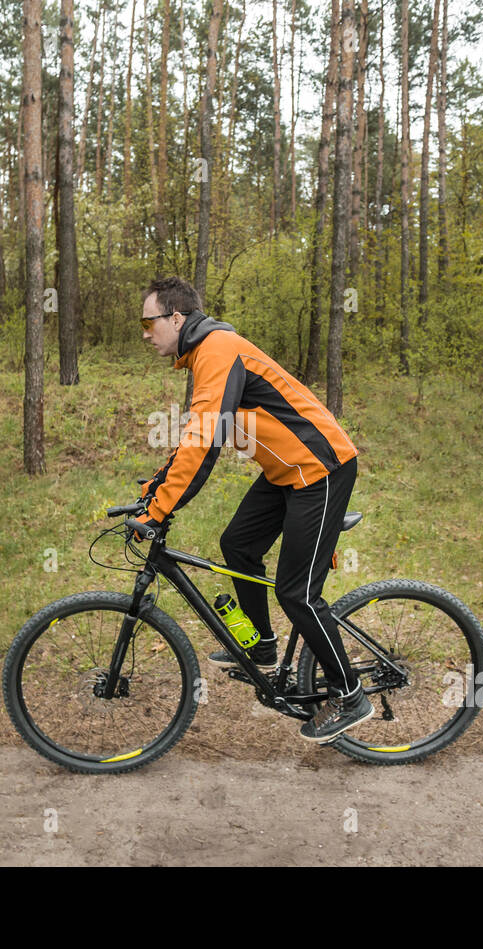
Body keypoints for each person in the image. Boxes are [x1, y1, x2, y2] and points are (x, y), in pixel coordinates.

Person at [135, 276, 370, 744]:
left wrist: (158, 512)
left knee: (296, 593)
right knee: (237, 544)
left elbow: (203, 446)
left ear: (176, 318)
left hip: (322, 469)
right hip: (289, 472)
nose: (145, 333)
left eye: (149, 322)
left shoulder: (218, 351)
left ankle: (349, 694)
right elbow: (195, 438)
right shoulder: (206, 354)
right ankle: (262, 645)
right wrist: (152, 492)